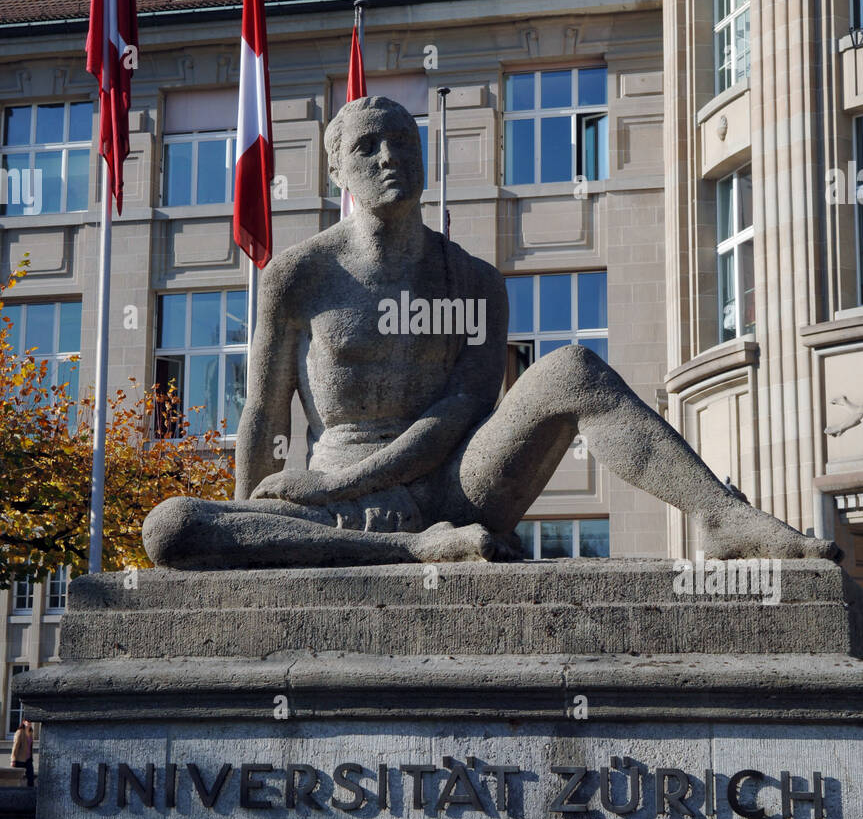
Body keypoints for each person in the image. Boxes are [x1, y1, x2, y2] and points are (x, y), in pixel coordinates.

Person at [143, 96, 840, 570]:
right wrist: (257, 525)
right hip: (337, 510)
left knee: (570, 367)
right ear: (337, 172)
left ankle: (719, 516)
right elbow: (261, 416)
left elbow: (458, 415)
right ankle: (410, 554)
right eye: (367, 146)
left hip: (448, 486)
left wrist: (339, 487)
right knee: (172, 526)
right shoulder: (298, 276)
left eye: (402, 143)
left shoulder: (472, 280)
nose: (388, 157)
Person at [11, 717, 34, 786]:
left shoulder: (31, 732)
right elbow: (15, 747)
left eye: (30, 721)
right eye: (28, 721)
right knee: (17, 778)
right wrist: (13, 760)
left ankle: (30, 793)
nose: (29, 723)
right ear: (24, 722)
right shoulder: (20, 732)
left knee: (31, 778)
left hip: (28, 759)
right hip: (20, 759)